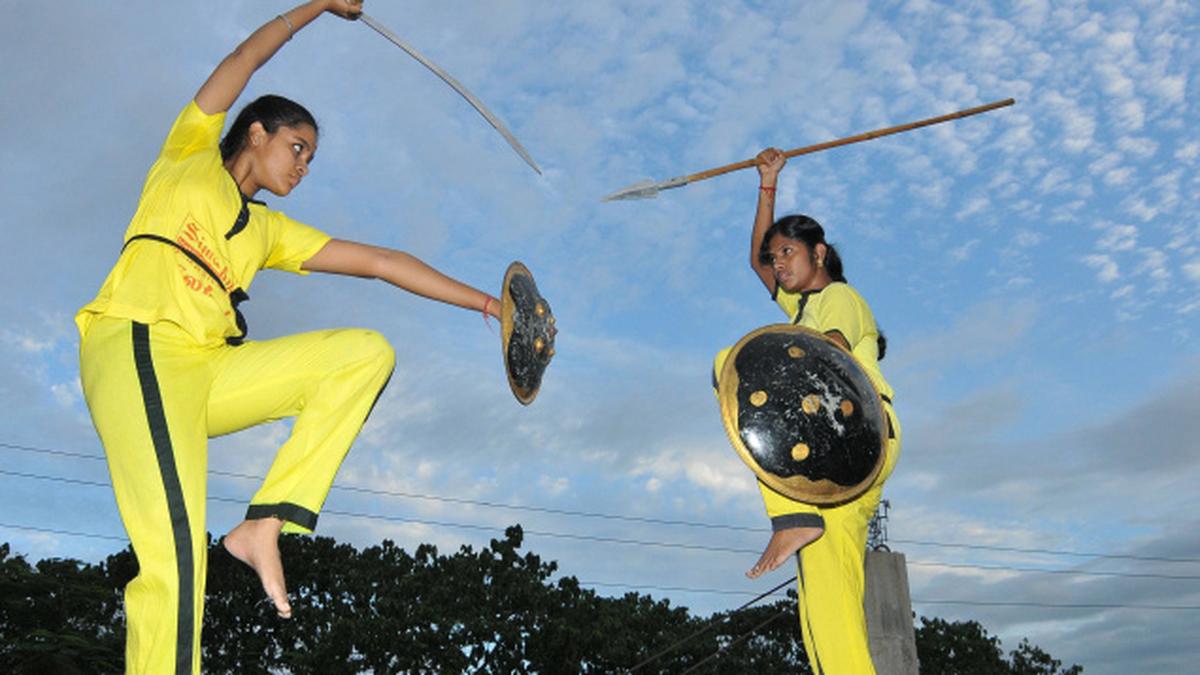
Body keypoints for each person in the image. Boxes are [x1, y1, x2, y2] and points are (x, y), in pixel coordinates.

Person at [75, 2, 505, 673]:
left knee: (364, 354)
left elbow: (381, 261)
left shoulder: (269, 231)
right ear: (255, 133)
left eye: (311, 158)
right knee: (177, 559)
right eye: (296, 147)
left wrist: (490, 304)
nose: (303, 167)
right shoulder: (188, 156)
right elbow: (243, 60)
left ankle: (265, 522)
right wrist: (319, 6)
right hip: (139, 346)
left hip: (209, 371)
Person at [714, 147, 902, 674]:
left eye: (788, 252)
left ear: (818, 253)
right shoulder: (803, 307)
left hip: (857, 435)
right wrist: (767, 182)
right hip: (833, 452)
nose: (777, 263)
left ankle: (792, 517)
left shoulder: (838, 297)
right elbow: (756, 261)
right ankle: (798, 518)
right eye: (775, 256)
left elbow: (827, 359)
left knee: (733, 362)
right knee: (824, 605)